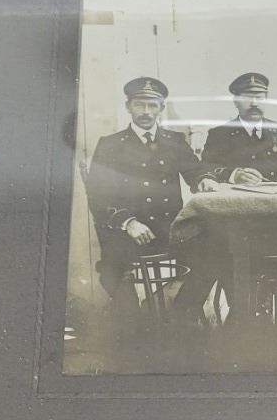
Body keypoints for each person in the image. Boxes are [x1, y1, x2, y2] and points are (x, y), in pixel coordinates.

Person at [81, 76, 218, 323]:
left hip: (169, 228)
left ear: (161, 108)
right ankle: (136, 320)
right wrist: (128, 222)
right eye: (139, 104)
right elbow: (98, 194)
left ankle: (181, 312)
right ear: (128, 107)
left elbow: (194, 170)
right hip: (129, 230)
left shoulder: (174, 141)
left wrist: (204, 179)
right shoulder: (110, 145)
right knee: (111, 270)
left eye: (152, 105)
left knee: (214, 253)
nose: (146, 111)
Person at [199, 71, 277, 185]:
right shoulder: (219, 134)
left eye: (259, 98)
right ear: (236, 102)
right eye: (247, 98)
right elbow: (206, 166)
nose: (254, 103)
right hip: (237, 199)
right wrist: (233, 175)